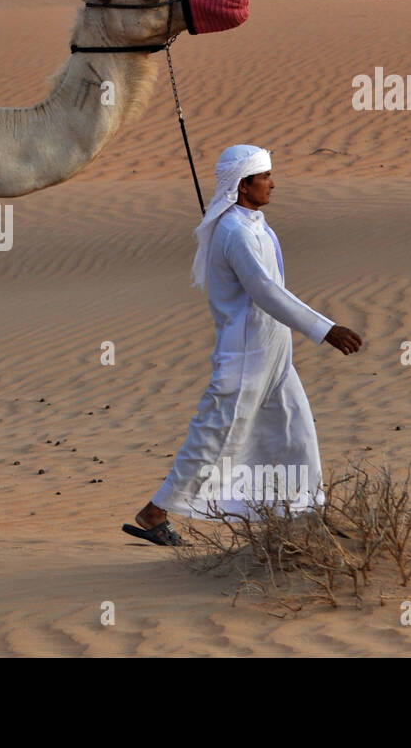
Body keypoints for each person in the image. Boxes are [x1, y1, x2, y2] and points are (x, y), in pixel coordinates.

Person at [124, 144, 362, 546]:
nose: (273, 183)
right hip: (246, 355)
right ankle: (155, 512)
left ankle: (308, 512)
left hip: (275, 355)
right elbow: (266, 291)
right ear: (243, 184)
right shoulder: (234, 231)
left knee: (297, 431)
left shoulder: (255, 224)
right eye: (264, 176)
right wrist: (325, 329)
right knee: (213, 435)